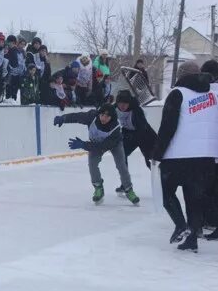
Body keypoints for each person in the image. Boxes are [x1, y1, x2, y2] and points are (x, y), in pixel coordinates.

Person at [153, 64, 215, 250]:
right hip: (205, 157)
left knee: (164, 191)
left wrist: (157, 153)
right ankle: (192, 238)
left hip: (179, 155)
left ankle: (181, 225)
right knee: (194, 197)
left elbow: (168, 127)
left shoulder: (178, 93)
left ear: (180, 76)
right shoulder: (212, 94)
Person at [56, 102, 140, 205]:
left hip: (114, 144)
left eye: (107, 116)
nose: (103, 118)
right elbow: (77, 116)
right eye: (102, 115)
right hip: (95, 143)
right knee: (92, 164)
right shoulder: (92, 116)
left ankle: (128, 189)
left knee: (121, 165)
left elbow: (102, 147)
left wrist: (84, 145)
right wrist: (63, 118)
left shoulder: (115, 128)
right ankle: (98, 187)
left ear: (112, 117)